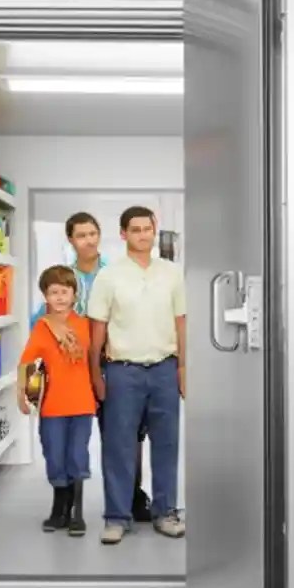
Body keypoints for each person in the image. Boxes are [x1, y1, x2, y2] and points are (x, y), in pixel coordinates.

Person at [31, 212, 154, 523]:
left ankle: (132, 499)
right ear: (70, 240)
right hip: (72, 372)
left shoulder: (116, 273)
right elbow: (39, 320)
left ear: (101, 235)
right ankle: (68, 506)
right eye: (81, 235)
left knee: (125, 436)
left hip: (112, 366)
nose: (88, 240)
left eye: (93, 233)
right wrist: (53, 322)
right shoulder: (63, 279)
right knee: (71, 441)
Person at [87, 206, 187, 544]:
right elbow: (97, 329)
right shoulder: (109, 276)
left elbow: (181, 322)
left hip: (164, 370)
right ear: (124, 234)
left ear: (154, 231)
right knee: (118, 446)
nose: (143, 235)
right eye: (135, 229)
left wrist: (183, 368)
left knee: (167, 444)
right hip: (122, 371)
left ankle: (165, 512)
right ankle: (117, 517)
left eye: (148, 229)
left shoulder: (172, 273)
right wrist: (96, 375)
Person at [17, 265, 97, 536]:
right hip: (52, 405)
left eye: (65, 291)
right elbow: (26, 362)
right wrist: (22, 395)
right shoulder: (42, 327)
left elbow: (97, 360)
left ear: (75, 295)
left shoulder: (86, 325)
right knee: (54, 455)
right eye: (54, 292)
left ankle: (77, 513)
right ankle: (58, 506)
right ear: (45, 296)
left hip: (83, 403)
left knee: (77, 455)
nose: (60, 297)